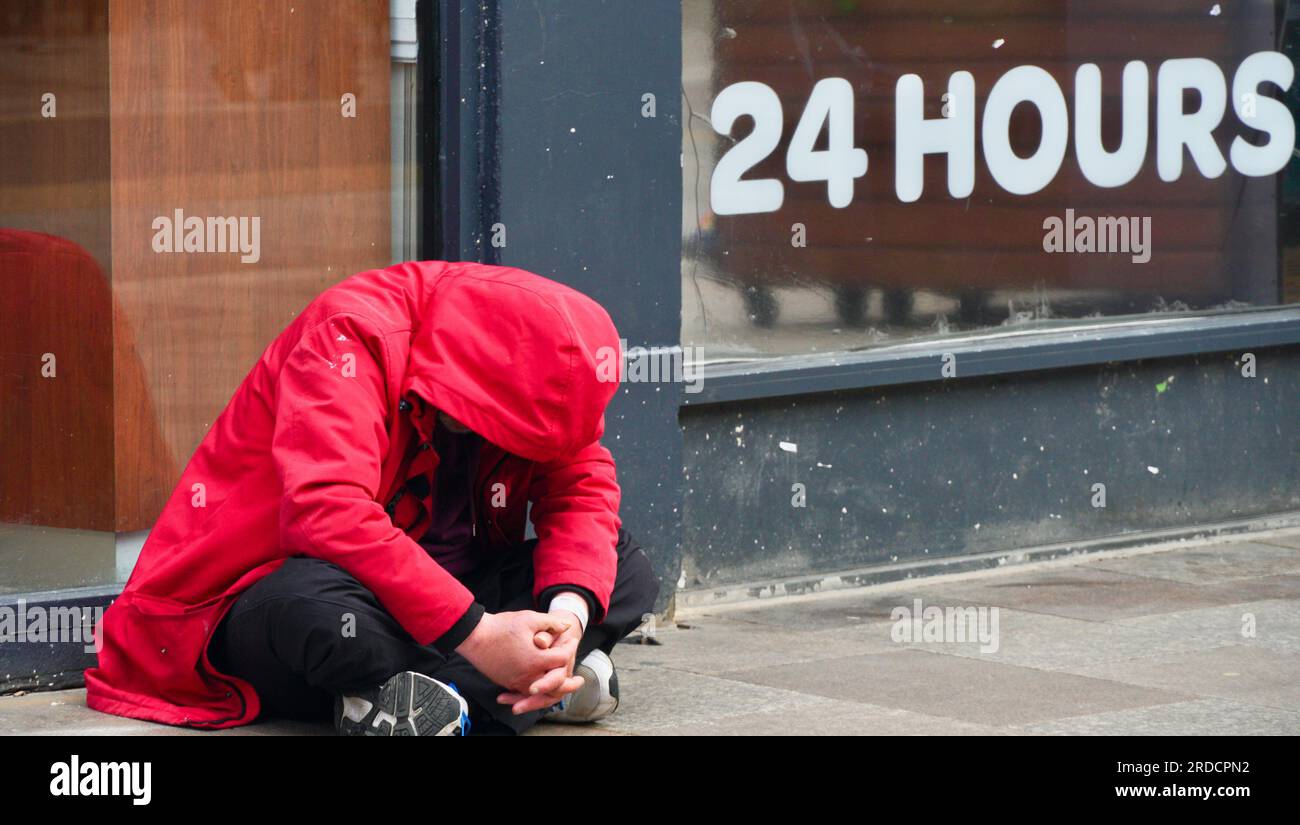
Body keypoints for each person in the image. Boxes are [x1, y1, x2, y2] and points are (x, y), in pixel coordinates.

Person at [85, 261, 659, 735]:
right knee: (318, 613)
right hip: (272, 593)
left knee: (620, 564)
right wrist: (481, 637)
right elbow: (326, 513)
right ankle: (528, 693)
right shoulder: (350, 333)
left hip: (437, 596)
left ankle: (439, 700)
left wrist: (565, 621)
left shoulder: (544, 369)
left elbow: (582, 491)